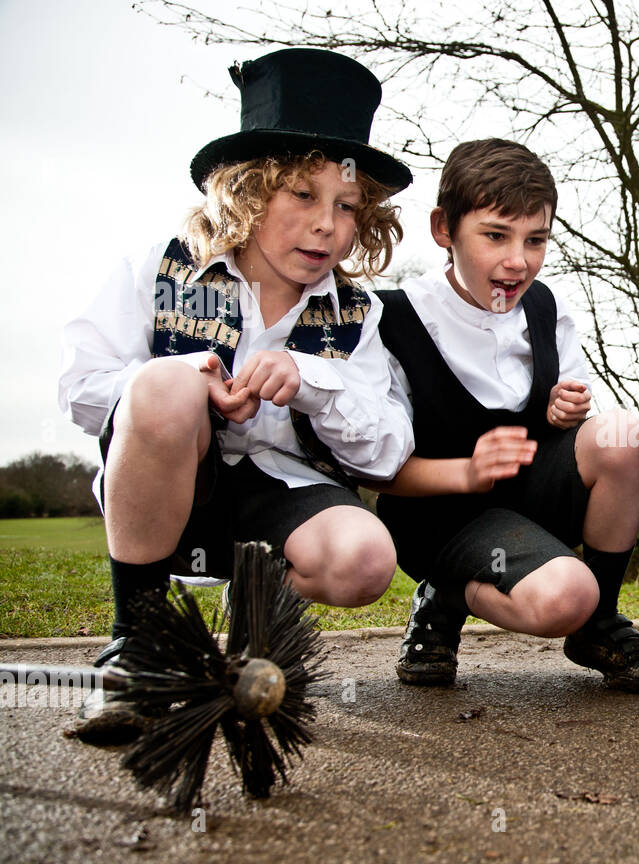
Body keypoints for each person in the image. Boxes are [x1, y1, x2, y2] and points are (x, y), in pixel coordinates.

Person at [58, 48, 415, 741]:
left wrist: (311, 384)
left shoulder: (356, 313)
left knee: (367, 557)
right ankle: (137, 643)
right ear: (250, 191)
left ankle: (258, 624)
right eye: (304, 197)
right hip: (169, 481)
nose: (326, 225)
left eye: (346, 206)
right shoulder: (161, 267)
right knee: (164, 384)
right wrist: (181, 380)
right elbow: (80, 386)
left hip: (280, 496)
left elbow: (389, 451)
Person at [374, 138, 639, 693]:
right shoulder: (392, 320)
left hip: (526, 499)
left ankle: (598, 624)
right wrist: (465, 470)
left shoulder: (545, 307)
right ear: (444, 229)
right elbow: (368, 468)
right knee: (563, 597)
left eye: (536, 240)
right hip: (438, 517)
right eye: (495, 235)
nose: (519, 260)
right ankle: (443, 593)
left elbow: (571, 416)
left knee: (626, 433)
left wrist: (565, 414)